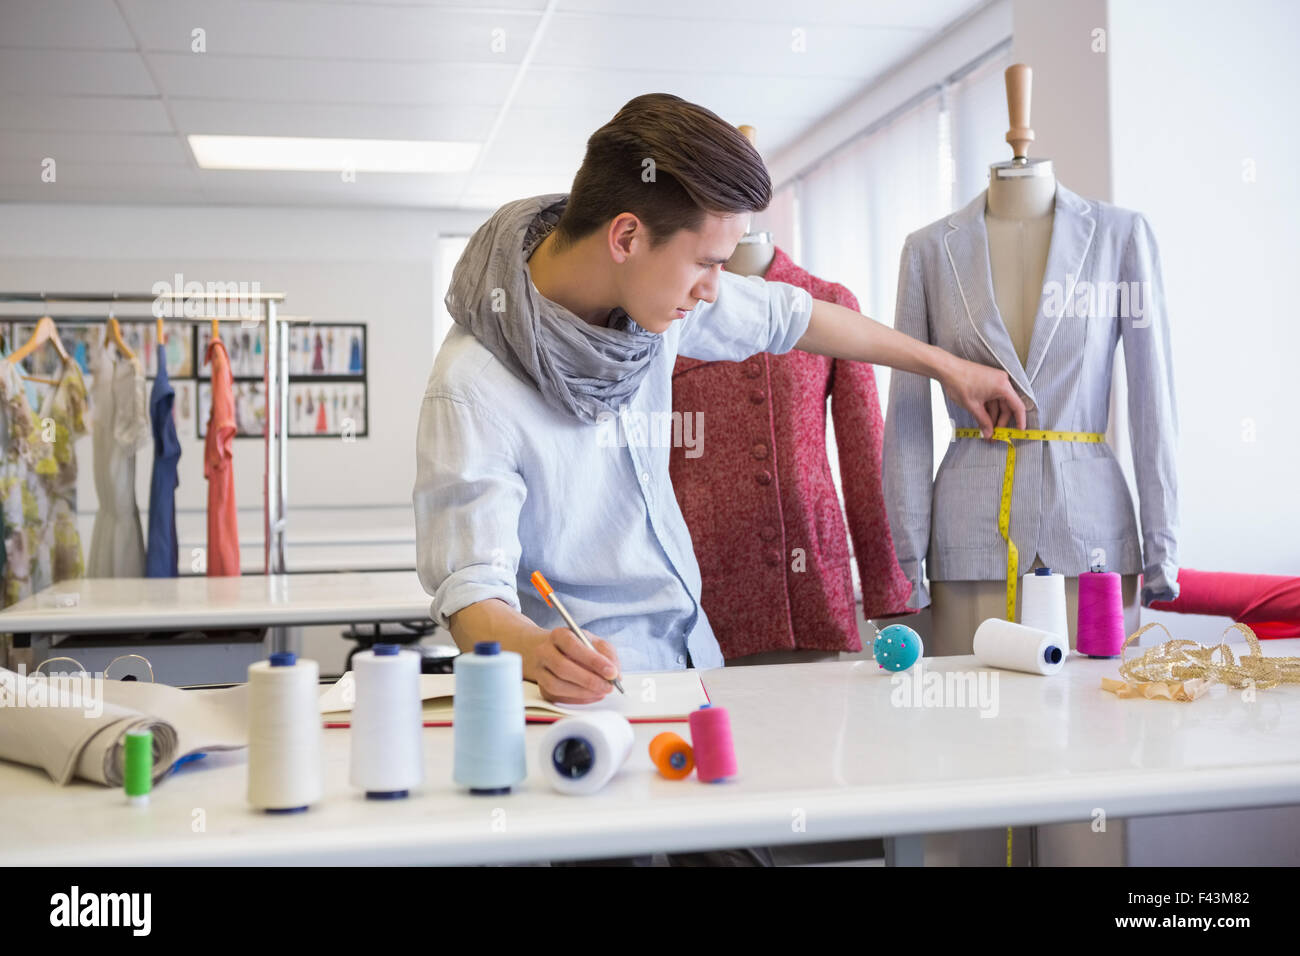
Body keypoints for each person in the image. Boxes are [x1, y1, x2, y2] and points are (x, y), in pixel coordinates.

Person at [414, 92, 1023, 708]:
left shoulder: (647, 299)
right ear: (626, 235)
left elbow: (798, 316)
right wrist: (537, 651)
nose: (713, 291)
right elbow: (471, 593)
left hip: (694, 663)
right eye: (706, 264)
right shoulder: (473, 388)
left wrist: (949, 368)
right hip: (583, 695)